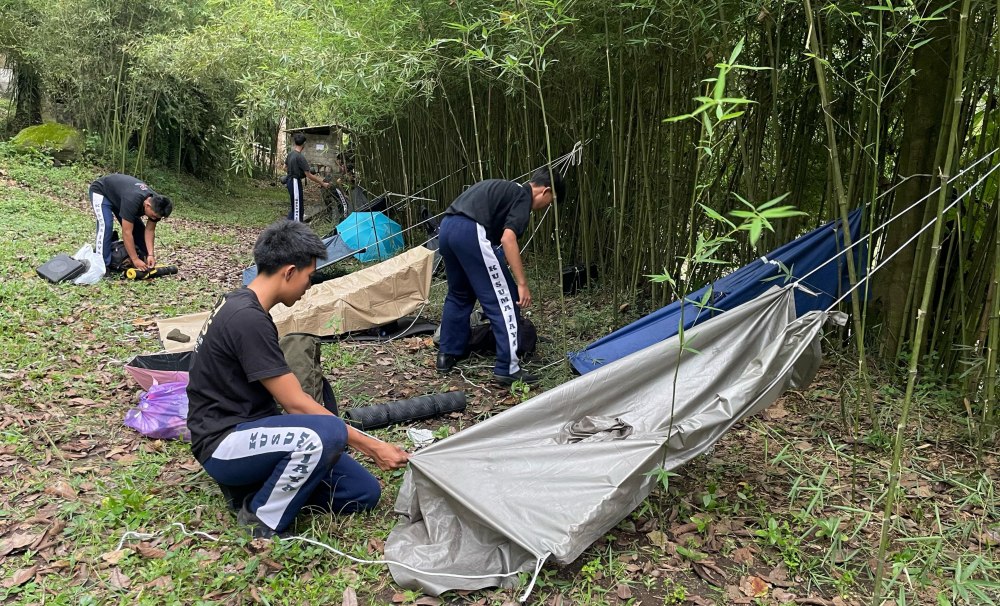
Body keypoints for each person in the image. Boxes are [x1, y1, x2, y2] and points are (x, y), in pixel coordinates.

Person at [186, 220, 409, 538]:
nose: (308, 286)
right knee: (326, 433)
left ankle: (256, 485)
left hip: (254, 429)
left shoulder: (244, 305)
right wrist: (372, 446)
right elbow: (296, 404)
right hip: (223, 442)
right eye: (308, 276)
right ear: (289, 272)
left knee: (362, 493)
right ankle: (262, 519)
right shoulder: (246, 318)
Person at [436, 167, 565, 385]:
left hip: (447, 228)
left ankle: (447, 354)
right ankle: (508, 367)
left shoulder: (507, 189)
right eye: (550, 201)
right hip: (470, 231)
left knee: (460, 294)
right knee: (506, 298)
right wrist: (522, 284)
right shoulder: (522, 197)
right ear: (545, 191)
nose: (545, 207)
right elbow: (508, 240)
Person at [89, 173, 172, 272]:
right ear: (148, 205)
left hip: (120, 197)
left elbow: (149, 230)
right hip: (102, 191)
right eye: (153, 216)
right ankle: (102, 265)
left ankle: (143, 257)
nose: (154, 218)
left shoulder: (159, 204)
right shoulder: (132, 200)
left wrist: (150, 254)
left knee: (138, 230)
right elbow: (127, 233)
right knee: (106, 225)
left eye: (157, 217)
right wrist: (135, 259)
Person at [285, 133, 331, 222]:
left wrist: (294, 171)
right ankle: (295, 230)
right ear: (304, 144)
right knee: (298, 209)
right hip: (295, 182)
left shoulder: (290, 154)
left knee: (295, 206)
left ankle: (289, 226)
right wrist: (323, 183)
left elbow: (285, 167)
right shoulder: (300, 157)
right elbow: (309, 175)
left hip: (290, 181)